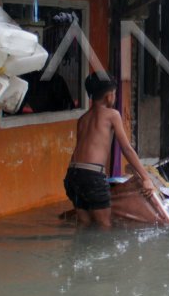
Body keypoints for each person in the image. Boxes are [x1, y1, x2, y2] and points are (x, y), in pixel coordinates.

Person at [64, 73, 153, 229]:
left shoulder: (82, 119)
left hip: (73, 175)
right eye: (114, 94)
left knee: (84, 225)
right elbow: (126, 148)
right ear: (109, 96)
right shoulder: (112, 115)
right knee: (104, 226)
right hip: (92, 176)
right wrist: (145, 177)